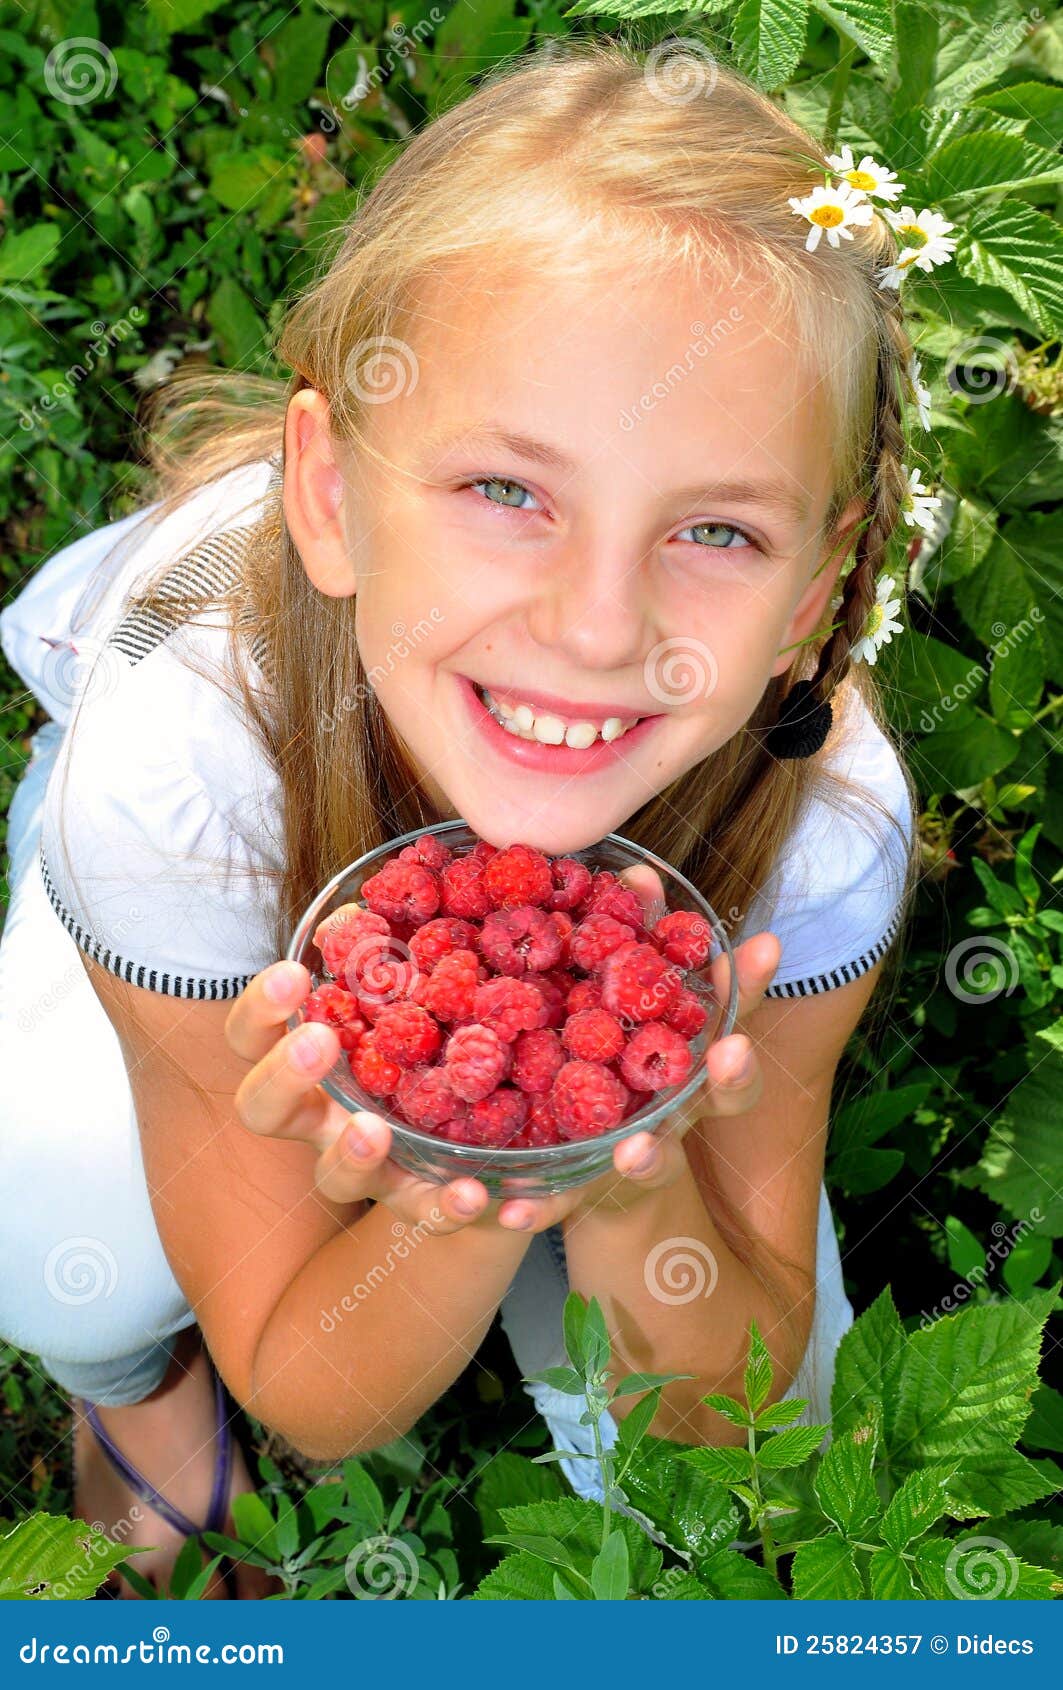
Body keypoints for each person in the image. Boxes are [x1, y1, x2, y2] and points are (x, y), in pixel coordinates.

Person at [0, 38, 925, 1598]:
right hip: (188, 868)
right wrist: (447, 1207)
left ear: (813, 597)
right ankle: (132, 1396)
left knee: (761, 1419)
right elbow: (311, 1382)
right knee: (54, 1241)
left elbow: (727, 1409)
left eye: (714, 527)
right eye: (508, 490)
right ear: (336, 497)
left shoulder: (825, 823)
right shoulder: (174, 766)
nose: (594, 622)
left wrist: (614, 1171)